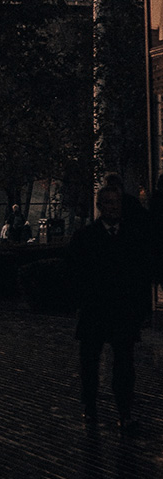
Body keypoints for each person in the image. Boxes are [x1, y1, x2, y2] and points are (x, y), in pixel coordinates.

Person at [66, 183, 152, 431]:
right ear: (100, 206)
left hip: (123, 310)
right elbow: (74, 274)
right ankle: (90, 408)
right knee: (90, 363)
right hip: (95, 309)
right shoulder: (85, 237)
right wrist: (82, 301)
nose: (114, 207)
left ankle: (124, 411)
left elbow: (141, 275)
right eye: (109, 203)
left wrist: (140, 309)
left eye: (117, 202)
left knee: (124, 364)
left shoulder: (132, 236)